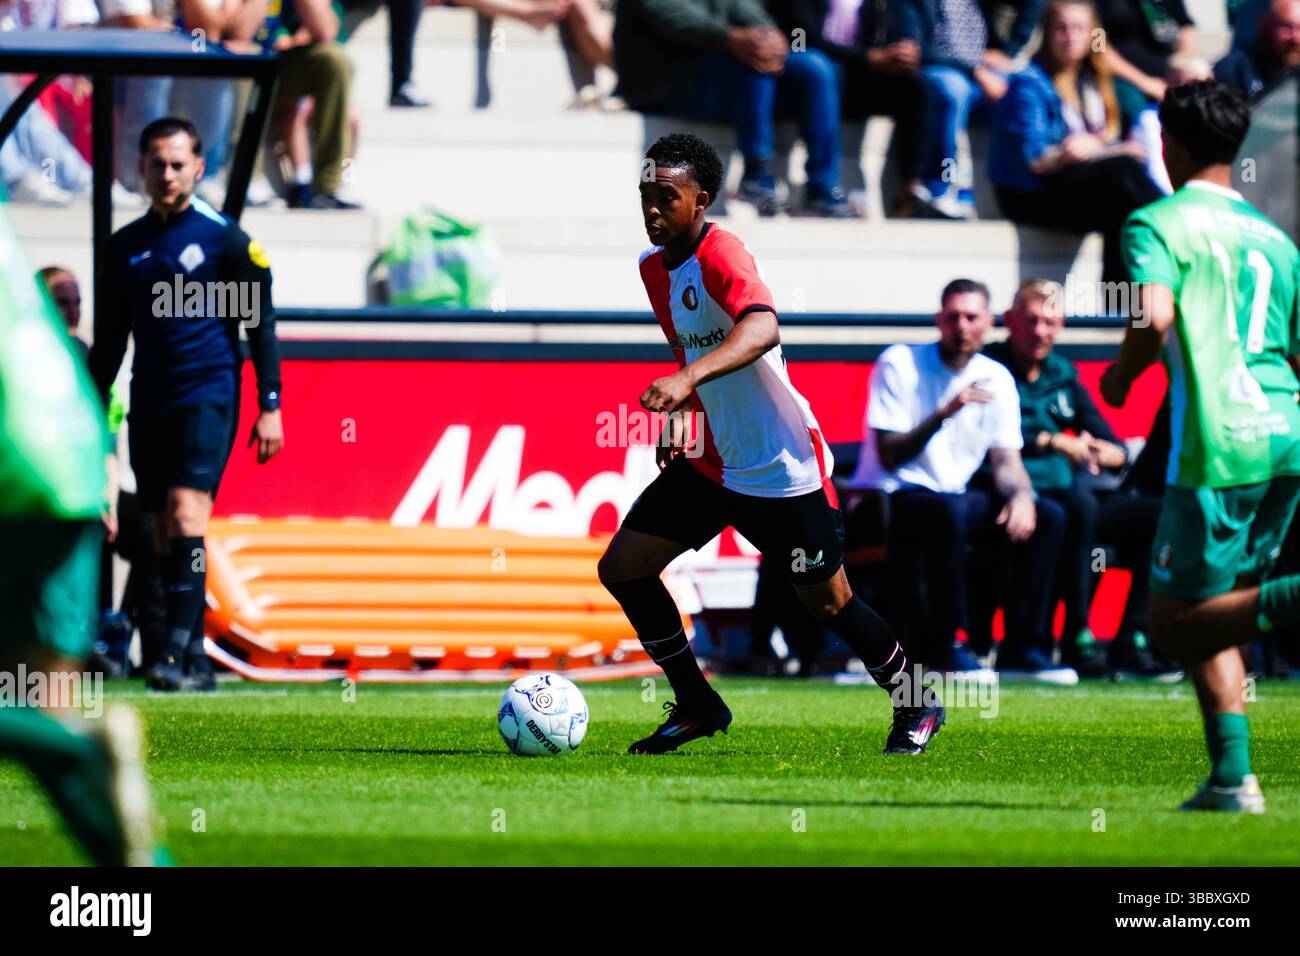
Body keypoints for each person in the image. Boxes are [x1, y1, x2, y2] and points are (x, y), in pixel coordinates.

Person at [599, 132, 943, 755]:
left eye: (666, 197)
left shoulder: (723, 253)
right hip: (712, 464)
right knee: (623, 567)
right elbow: (695, 347)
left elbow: (761, 327)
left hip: (780, 466)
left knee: (831, 602)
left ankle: (915, 700)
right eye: (645, 196)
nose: (652, 209)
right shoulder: (654, 269)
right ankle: (698, 702)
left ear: (700, 200)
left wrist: (685, 381)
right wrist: (686, 412)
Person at [1100, 80, 1300, 812]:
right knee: (1221, 609)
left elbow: (1152, 317)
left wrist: (1121, 379)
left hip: (1219, 446)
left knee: (1173, 627)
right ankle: (1230, 779)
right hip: (1286, 441)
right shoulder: (1277, 239)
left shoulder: (1155, 222)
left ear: (1171, 146)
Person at [88, 116, 285, 692]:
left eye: (178, 164)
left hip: (209, 393)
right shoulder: (126, 248)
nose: (167, 174)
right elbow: (109, 344)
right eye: (157, 164)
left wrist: (269, 403)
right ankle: (186, 656)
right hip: (150, 398)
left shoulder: (228, 241)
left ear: (199, 168)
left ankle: (176, 653)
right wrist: (89, 406)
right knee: (156, 529)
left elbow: (261, 326)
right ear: (142, 169)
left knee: (185, 514)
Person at [0, 202, 165, 866]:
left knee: (48, 722)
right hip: (61, 451)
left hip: (14, 462)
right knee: (38, 701)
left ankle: (79, 747)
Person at [851, 278, 1074, 681]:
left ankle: (1024, 647)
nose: (962, 326)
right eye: (953, 316)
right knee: (948, 512)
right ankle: (945, 645)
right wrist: (945, 411)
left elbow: (1007, 462)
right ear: (939, 319)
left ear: (989, 322)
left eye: (971, 317)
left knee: (1051, 515)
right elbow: (890, 454)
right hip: (891, 495)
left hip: (951, 496)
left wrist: (1023, 497)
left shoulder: (997, 377)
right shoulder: (900, 362)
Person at [984, 279, 1129, 675]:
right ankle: (1029, 642)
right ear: (1010, 320)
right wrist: (1054, 441)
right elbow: (983, 434)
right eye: (1030, 321)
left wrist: (1108, 453)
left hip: (1062, 491)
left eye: (1049, 322)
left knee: (1099, 510)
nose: (1039, 331)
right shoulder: (989, 369)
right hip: (1001, 484)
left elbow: (1112, 443)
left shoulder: (1064, 376)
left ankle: (1085, 632)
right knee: (1063, 513)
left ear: (1061, 325)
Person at [613, 0, 855, 217]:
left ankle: (822, 187)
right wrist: (733, 38)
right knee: (751, 63)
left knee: (815, 67)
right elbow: (674, 19)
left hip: (725, 73)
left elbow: (748, 10)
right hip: (670, 84)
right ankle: (756, 177)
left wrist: (768, 37)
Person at [989, 0, 1163, 284]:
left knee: (1122, 206)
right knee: (1122, 171)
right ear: (1047, 34)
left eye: (1079, 28)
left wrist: (1103, 149)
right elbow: (1035, 160)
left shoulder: (1092, 80)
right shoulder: (1029, 83)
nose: (1070, 36)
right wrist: (1078, 152)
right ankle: (1171, 218)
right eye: (1061, 29)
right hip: (1027, 193)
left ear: (1093, 35)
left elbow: (1096, 147)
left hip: (1068, 186)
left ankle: (1117, 306)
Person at [767, 0, 929, 215]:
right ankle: (820, 186)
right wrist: (870, 57)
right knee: (821, 70)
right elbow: (802, 39)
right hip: (807, 69)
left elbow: (887, 28)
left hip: (858, 70)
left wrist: (900, 50)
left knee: (915, 85)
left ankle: (910, 190)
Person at [1214, 0, 1300, 101]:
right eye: (1286, 27)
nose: (1295, 37)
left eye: (1299, 29)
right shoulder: (1234, 71)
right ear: (1265, 24)